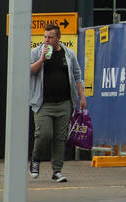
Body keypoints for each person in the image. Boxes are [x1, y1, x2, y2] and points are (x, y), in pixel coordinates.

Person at [29, 24, 86, 183]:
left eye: (50, 37)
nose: (47, 40)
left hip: (64, 103)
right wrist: (42, 59)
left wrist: (82, 97)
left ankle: (57, 171)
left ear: (58, 38)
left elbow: (77, 75)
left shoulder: (68, 54)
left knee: (60, 138)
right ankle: (36, 160)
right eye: (45, 37)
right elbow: (29, 71)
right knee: (44, 134)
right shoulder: (36, 52)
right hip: (43, 103)